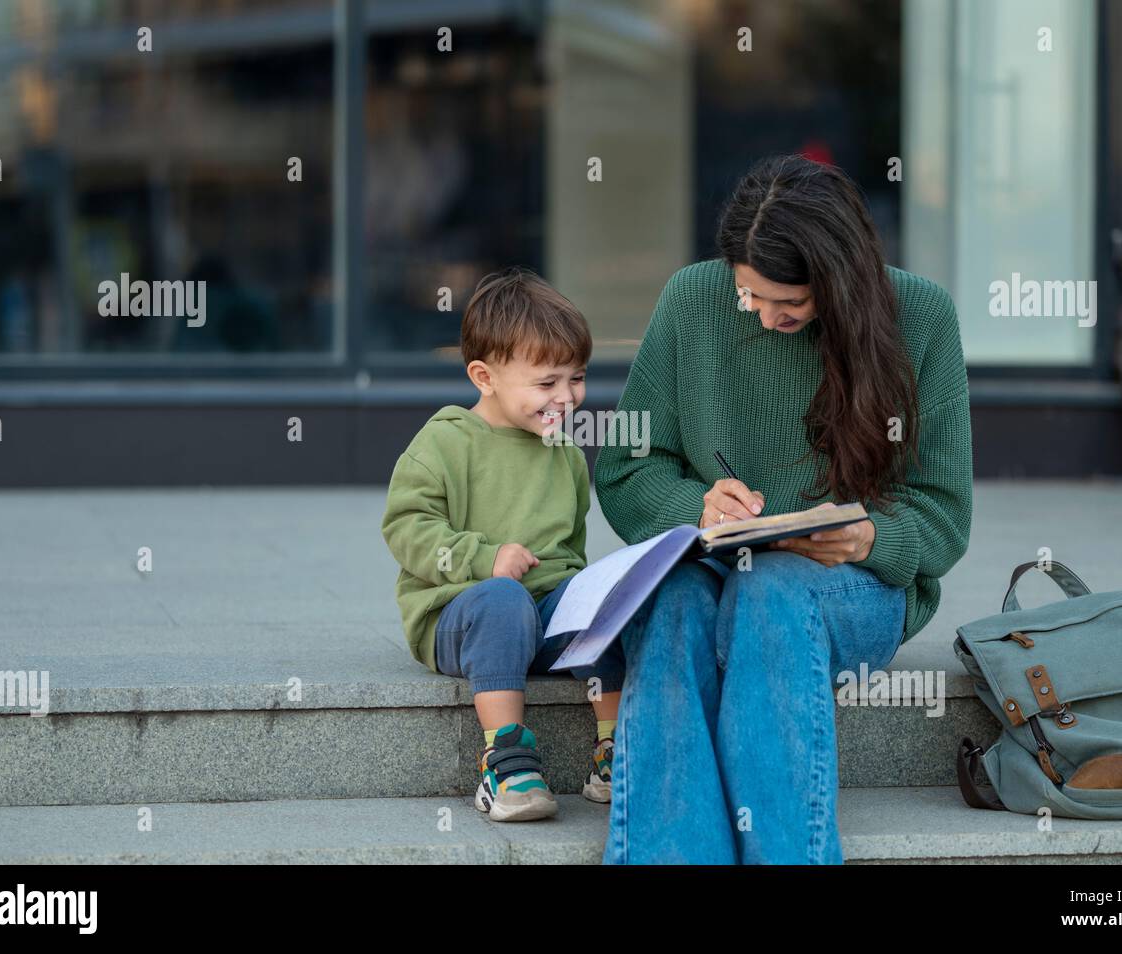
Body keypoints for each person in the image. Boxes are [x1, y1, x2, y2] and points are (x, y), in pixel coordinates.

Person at [593, 155, 973, 863]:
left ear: (838, 282)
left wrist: (867, 537)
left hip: (853, 591)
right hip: (712, 569)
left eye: (787, 304)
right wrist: (695, 505)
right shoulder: (691, 301)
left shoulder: (922, 318)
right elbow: (627, 466)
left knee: (768, 593)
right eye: (749, 296)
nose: (766, 317)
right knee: (671, 603)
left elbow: (944, 517)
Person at [381, 267, 623, 822]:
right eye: (547, 383)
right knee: (503, 598)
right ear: (484, 376)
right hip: (460, 614)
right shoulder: (444, 442)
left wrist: (586, 593)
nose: (566, 397)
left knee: (611, 595)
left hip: (539, 617)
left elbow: (570, 551)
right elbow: (406, 527)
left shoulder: (563, 452)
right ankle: (506, 759)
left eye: (577, 379)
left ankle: (612, 749)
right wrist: (485, 558)